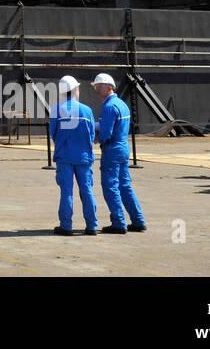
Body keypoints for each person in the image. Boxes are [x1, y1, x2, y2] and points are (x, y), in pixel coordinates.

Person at [92, 73, 145, 234]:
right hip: (123, 148)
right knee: (125, 185)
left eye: (99, 86)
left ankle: (118, 223)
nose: (96, 89)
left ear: (109, 87)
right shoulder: (121, 104)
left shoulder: (109, 107)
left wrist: (97, 138)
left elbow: (106, 133)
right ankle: (138, 220)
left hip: (112, 150)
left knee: (110, 187)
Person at [50, 75, 98, 235]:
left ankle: (66, 225)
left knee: (67, 191)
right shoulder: (87, 110)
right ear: (76, 90)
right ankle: (92, 226)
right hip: (84, 156)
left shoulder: (57, 110)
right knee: (87, 190)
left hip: (64, 157)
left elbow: (53, 133)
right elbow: (92, 134)